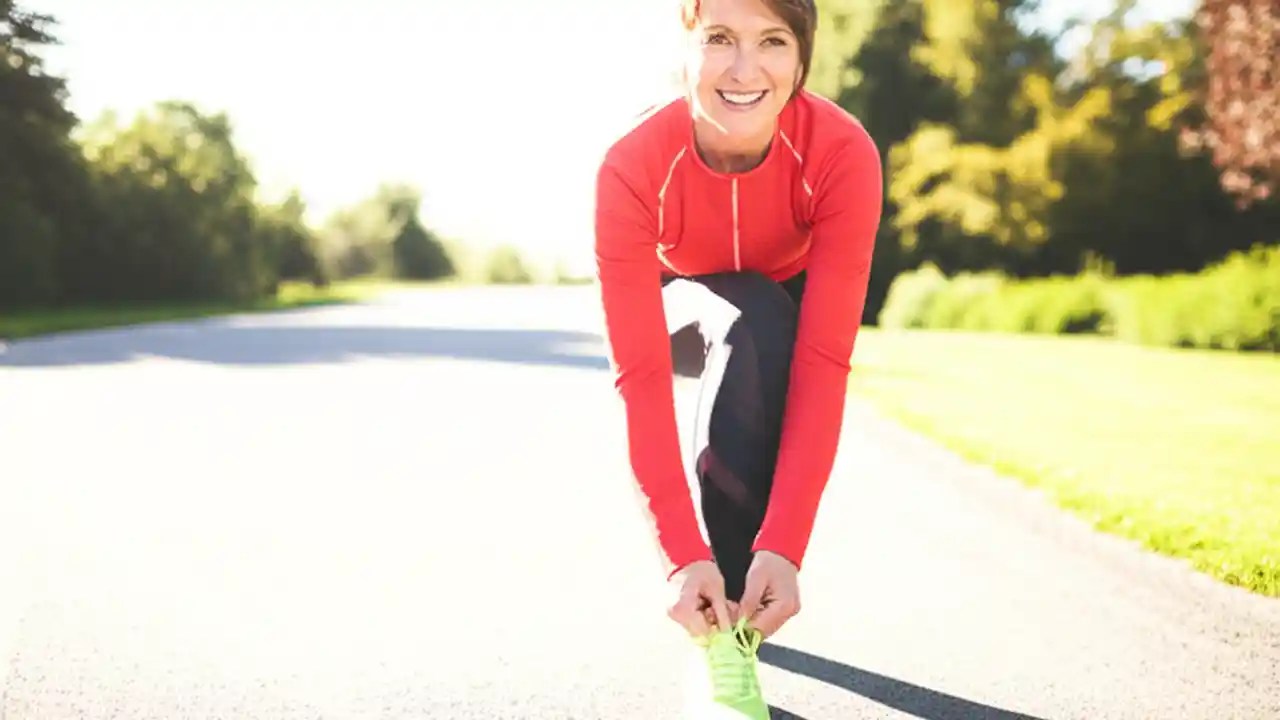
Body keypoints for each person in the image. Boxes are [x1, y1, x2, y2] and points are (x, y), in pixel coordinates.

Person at [593, 0, 882, 715]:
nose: (745, 69)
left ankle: (739, 615)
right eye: (720, 38)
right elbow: (641, 381)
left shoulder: (841, 153)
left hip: (780, 296)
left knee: (763, 324)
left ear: (803, 59)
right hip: (676, 293)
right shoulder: (632, 164)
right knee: (750, 319)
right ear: (686, 49)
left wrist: (784, 543)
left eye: (772, 41)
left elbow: (825, 364)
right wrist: (679, 556)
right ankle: (714, 633)